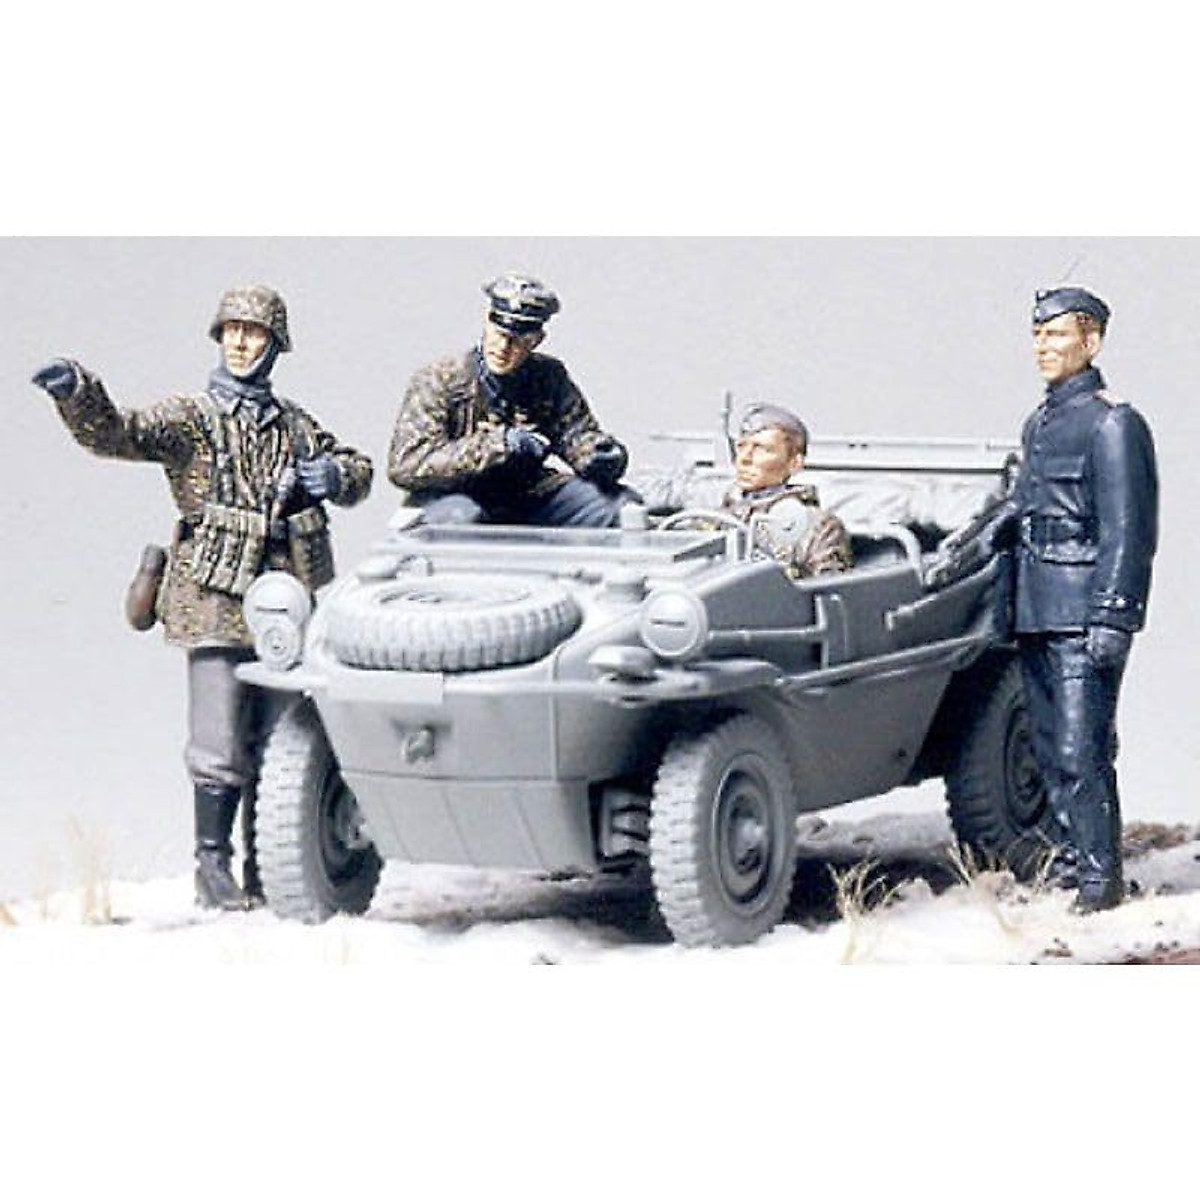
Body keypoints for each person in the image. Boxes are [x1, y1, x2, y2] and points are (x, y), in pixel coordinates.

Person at [31, 285, 373, 911]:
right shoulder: (191, 417)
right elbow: (120, 433)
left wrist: (334, 475)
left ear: (276, 344)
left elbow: (356, 469)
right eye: (231, 331)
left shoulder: (293, 424)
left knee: (280, 735)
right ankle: (211, 867)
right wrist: (77, 392)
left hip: (282, 597)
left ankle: (270, 862)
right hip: (211, 594)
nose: (241, 343)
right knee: (218, 740)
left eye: (254, 332)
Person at [1013, 286, 1158, 913]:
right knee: (1048, 746)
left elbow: (1130, 529)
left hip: (1082, 609)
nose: (1043, 347)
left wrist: (1114, 615)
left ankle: (1102, 880)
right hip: (1036, 604)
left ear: (1091, 341)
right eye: (1038, 335)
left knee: (1083, 749)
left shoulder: (1113, 423)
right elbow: (1026, 507)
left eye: (1056, 334)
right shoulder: (1040, 422)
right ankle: (1073, 865)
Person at [388, 272, 635, 526]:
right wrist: (499, 444)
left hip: (524, 492)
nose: (503, 347)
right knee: (461, 518)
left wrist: (596, 455)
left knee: (617, 506)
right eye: (499, 333)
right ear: (486, 322)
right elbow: (407, 465)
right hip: (454, 493)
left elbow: (575, 432)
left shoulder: (548, 377)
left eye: (518, 340)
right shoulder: (440, 379)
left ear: (537, 340)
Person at [723, 403, 852, 577]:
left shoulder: (817, 527)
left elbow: (831, 585)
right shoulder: (719, 517)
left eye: (762, 449)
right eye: (741, 446)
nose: (744, 459)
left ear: (794, 463)